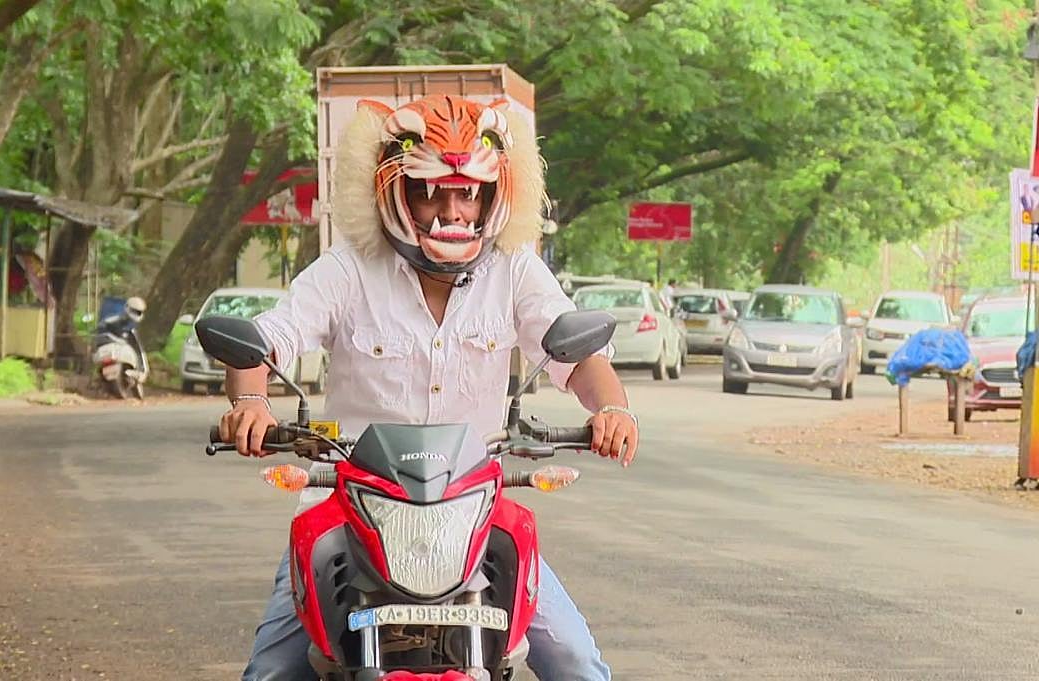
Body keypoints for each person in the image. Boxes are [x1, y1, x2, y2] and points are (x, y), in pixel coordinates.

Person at [217, 94, 638, 681]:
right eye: (430, 190)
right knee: (273, 670)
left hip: (473, 514)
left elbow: (577, 354)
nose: (453, 208)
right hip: (349, 513)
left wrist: (613, 409)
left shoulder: (514, 269)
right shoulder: (348, 269)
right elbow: (265, 341)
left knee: (574, 660)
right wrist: (251, 402)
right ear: (394, 194)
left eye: (468, 192)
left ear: (493, 196)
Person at [95, 296, 146, 372]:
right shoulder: (112, 320)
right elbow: (101, 331)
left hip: (117, 350)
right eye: (134, 311)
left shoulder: (129, 328)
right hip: (108, 347)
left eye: (138, 312)